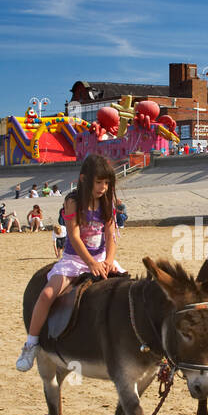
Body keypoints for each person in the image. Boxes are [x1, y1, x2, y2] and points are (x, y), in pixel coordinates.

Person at [17, 153, 124, 371]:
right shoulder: (73, 201)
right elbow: (74, 236)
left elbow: (110, 234)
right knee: (47, 294)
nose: (103, 187)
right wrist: (90, 263)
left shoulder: (107, 202)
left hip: (101, 259)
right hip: (75, 260)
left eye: (106, 183)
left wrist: (109, 261)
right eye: (99, 182)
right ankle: (31, 344)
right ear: (85, 179)